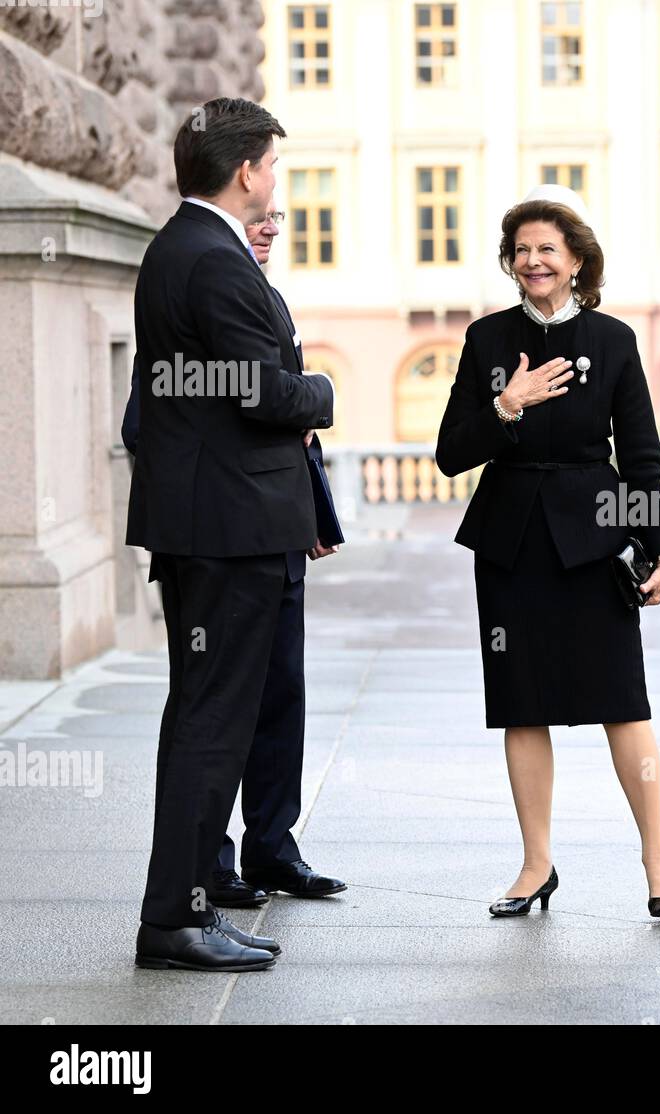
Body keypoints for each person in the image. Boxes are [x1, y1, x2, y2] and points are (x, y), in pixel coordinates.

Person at [435, 185, 660, 918]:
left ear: (577, 260)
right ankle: (535, 864)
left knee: (622, 704)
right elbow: (451, 453)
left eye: (548, 249)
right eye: (522, 251)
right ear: (510, 264)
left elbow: (642, 453)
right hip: (511, 542)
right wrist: (506, 405)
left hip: (595, 539)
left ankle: (658, 861)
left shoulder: (612, 341)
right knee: (523, 706)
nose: (534, 260)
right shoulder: (486, 340)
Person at [127, 97, 335, 970]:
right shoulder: (214, 260)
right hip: (231, 525)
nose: (275, 182)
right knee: (213, 723)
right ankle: (175, 917)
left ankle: (190, 904)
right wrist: (319, 389)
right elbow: (265, 395)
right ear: (248, 169)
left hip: (209, 519)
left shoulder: (183, 248)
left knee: (205, 718)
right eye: (274, 168)